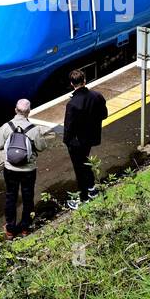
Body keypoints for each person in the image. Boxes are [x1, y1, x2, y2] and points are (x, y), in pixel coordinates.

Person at [0, 98, 44, 237]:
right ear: (29, 112)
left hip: (10, 169)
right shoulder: (34, 130)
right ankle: (25, 228)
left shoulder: (6, 127)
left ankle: (10, 229)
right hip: (28, 170)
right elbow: (42, 147)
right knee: (28, 197)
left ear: (15, 110)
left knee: (11, 196)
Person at [63, 69, 107, 209]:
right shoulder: (97, 96)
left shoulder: (72, 104)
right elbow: (104, 115)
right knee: (86, 163)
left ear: (72, 84)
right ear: (84, 81)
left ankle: (83, 198)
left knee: (79, 169)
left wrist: (67, 141)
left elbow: (68, 127)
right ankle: (92, 189)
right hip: (91, 137)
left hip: (76, 142)